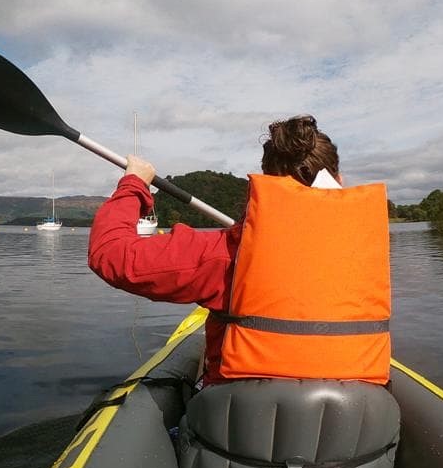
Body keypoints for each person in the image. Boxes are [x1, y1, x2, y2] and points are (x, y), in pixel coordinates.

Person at [88, 114, 391, 387]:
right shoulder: (367, 258)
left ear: (265, 187)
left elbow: (110, 253)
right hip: (358, 433)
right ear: (339, 181)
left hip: (241, 432)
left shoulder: (226, 255)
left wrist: (133, 184)